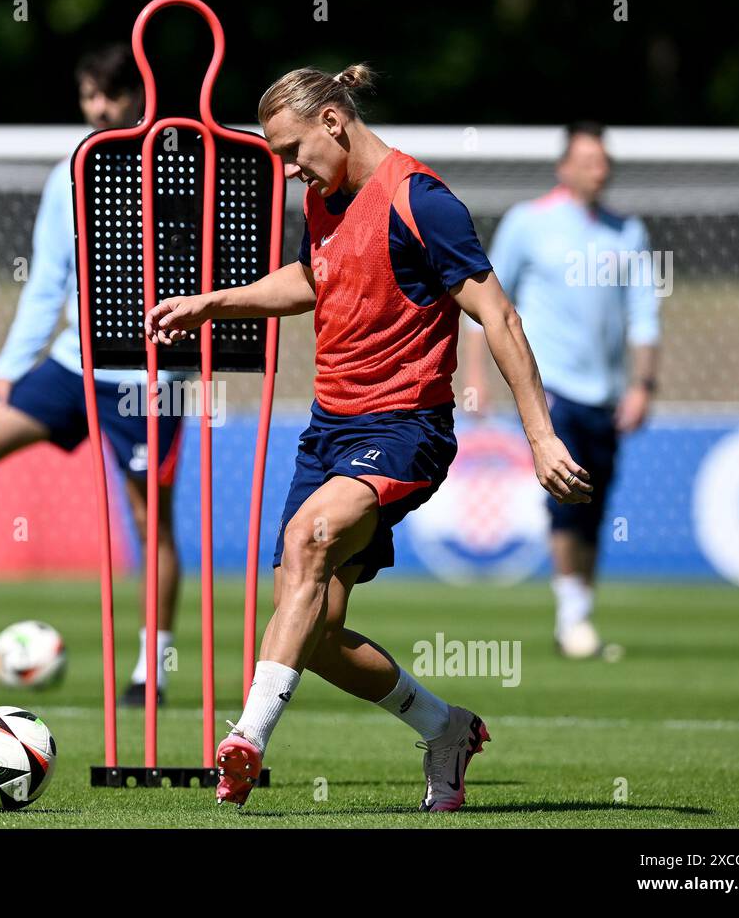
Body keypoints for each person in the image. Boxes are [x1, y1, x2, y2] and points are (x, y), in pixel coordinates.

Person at [145, 65, 592, 810]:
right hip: (328, 430)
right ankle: (445, 727)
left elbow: (501, 317)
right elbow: (314, 278)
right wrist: (215, 302)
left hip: (405, 427)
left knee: (311, 536)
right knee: (314, 631)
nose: (289, 172)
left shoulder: (422, 199)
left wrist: (539, 436)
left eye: (291, 151)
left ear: (332, 120)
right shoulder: (323, 198)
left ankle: (246, 741)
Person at [0, 46, 185, 707]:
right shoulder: (69, 175)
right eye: (89, 96)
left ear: (141, 96)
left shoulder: (176, 168)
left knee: (149, 521)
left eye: (112, 94)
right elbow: (48, 280)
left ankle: (152, 668)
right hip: (74, 364)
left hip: (149, 373)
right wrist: (6, 370)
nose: (100, 108)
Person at [462, 121, 661, 658]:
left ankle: (579, 613)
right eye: (589, 159)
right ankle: (571, 616)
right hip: (552, 390)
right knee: (565, 497)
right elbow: (486, 303)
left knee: (595, 504)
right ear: (565, 166)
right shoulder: (530, 223)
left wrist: (643, 384)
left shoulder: (628, 232)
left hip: (608, 393)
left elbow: (644, 313)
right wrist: (477, 375)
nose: (599, 168)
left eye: (604, 160)